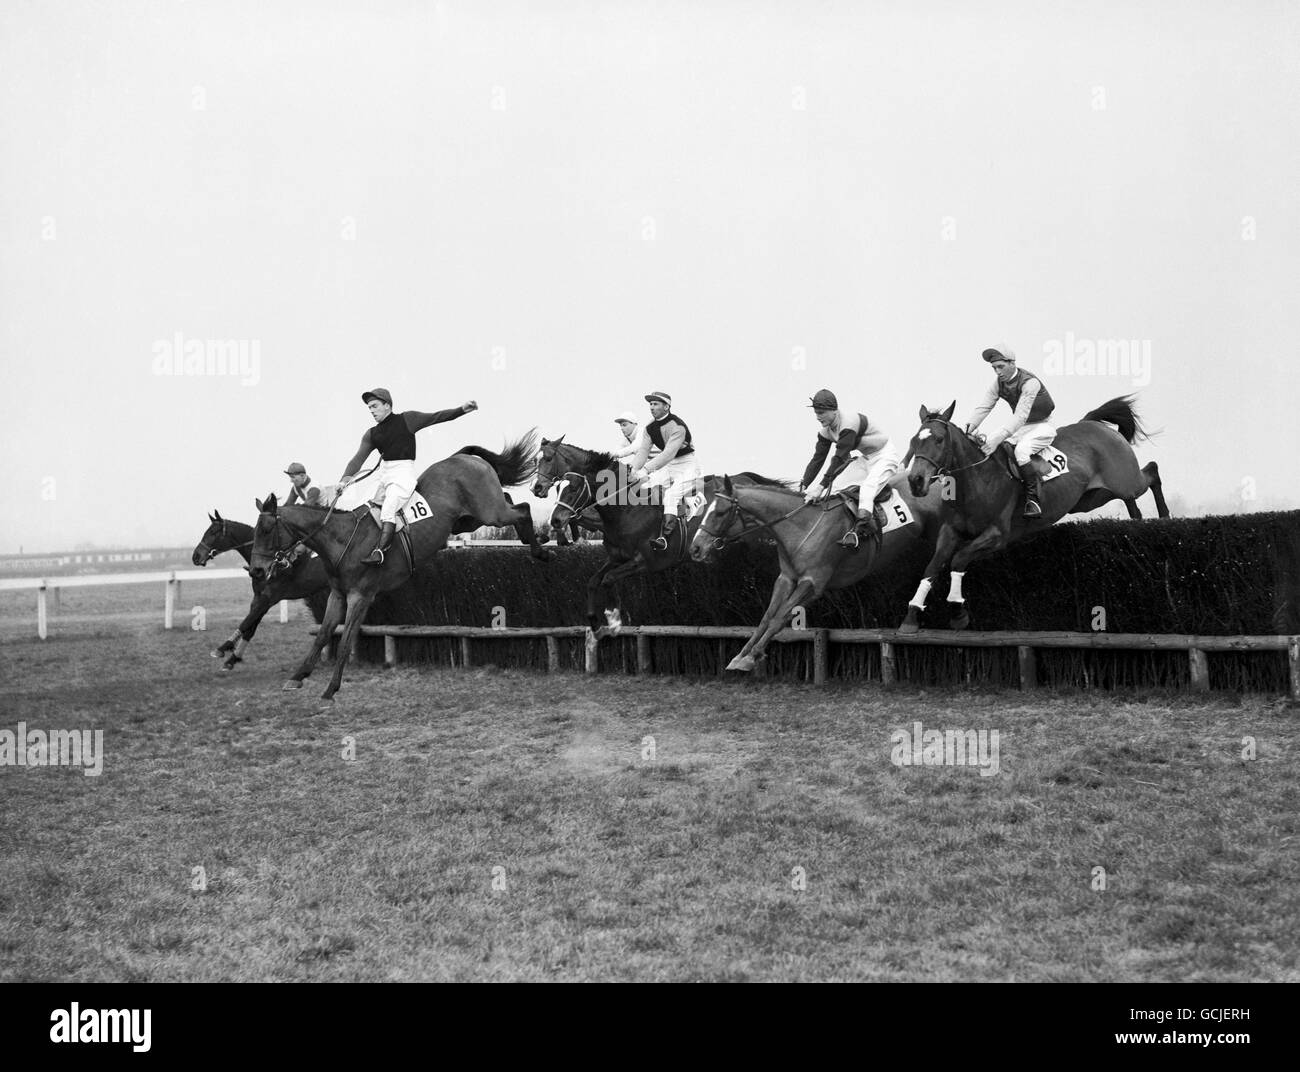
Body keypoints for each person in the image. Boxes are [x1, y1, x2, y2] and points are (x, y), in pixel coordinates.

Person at [331, 388, 477, 565]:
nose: (371, 411)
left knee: (388, 508)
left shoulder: (408, 419)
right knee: (362, 508)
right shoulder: (371, 434)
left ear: (387, 405)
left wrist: (462, 410)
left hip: (403, 474)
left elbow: (436, 417)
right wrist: (344, 481)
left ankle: (380, 552)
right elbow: (357, 460)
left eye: (375, 406)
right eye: (369, 408)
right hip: (384, 475)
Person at [800, 389, 900, 549]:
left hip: (885, 456)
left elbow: (839, 458)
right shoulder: (826, 432)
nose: (818, 417)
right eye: (816, 413)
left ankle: (861, 531)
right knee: (835, 488)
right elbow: (817, 460)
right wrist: (804, 485)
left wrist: (819, 487)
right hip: (866, 459)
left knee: (868, 488)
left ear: (834, 410)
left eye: (821, 413)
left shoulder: (848, 423)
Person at [964, 346, 1056, 518]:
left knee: (1021, 451)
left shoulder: (1030, 383)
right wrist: (967, 429)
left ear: (1012, 363)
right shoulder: (998, 383)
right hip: (1021, 426)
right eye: (994, 368)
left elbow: (1020, 416)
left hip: (1042, 425)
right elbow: (984, 407)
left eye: (1000, 367)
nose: (997, 372)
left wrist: (998, 439)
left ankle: (1033, 500)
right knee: (987, 443)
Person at [627, 391, 702, 552]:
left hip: (687, 464)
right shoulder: (650, 428)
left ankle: (665, 538)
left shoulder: (678, 426)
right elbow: (643, 452)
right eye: (650, 404)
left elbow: (668, 454)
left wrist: (646, 469)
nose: (651, 407)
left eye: (655, 404)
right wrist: (632, 470)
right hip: (669, 465)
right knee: (646, 487)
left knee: (671, 495)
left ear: (666, 406)